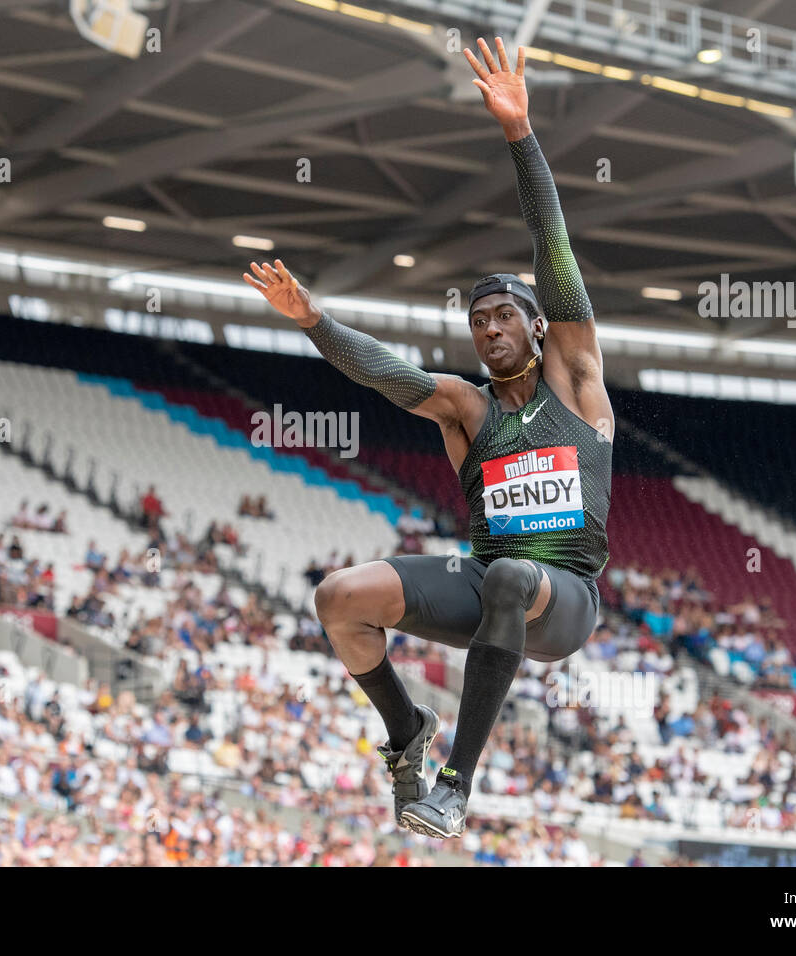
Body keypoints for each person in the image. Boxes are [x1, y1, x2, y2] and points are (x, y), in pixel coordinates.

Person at [240, 37, 614, 839]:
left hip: (565, 600)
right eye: (477, 322)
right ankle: (407, 733)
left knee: (514, 572)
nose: (489, 331)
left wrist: (519, 132)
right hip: (487, 584)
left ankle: (455, 783)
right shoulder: (464, 409)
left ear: (538, 325)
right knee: (340, 598)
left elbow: (554, 250)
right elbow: (382, 372)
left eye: (503, 316)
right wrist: (314, 321)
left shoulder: (577, 379)